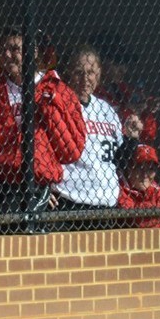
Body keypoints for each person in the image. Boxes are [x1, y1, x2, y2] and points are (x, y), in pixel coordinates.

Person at [0, 26, 86, 215]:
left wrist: (54, 186)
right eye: (3, 49)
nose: (8, 55)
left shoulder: (58, 90)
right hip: (1, 183)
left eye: (15, 48)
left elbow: (72, 149)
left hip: (39, 183)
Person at [52, 44, 130, 219]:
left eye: (91, 72)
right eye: (79, 72)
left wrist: (131, 137)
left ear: (99, 74)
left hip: (107, 202)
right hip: (70, 200)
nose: (85, 78)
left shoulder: (107, 110)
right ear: (68, 73)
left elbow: (122, 158)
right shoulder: (59, 106)